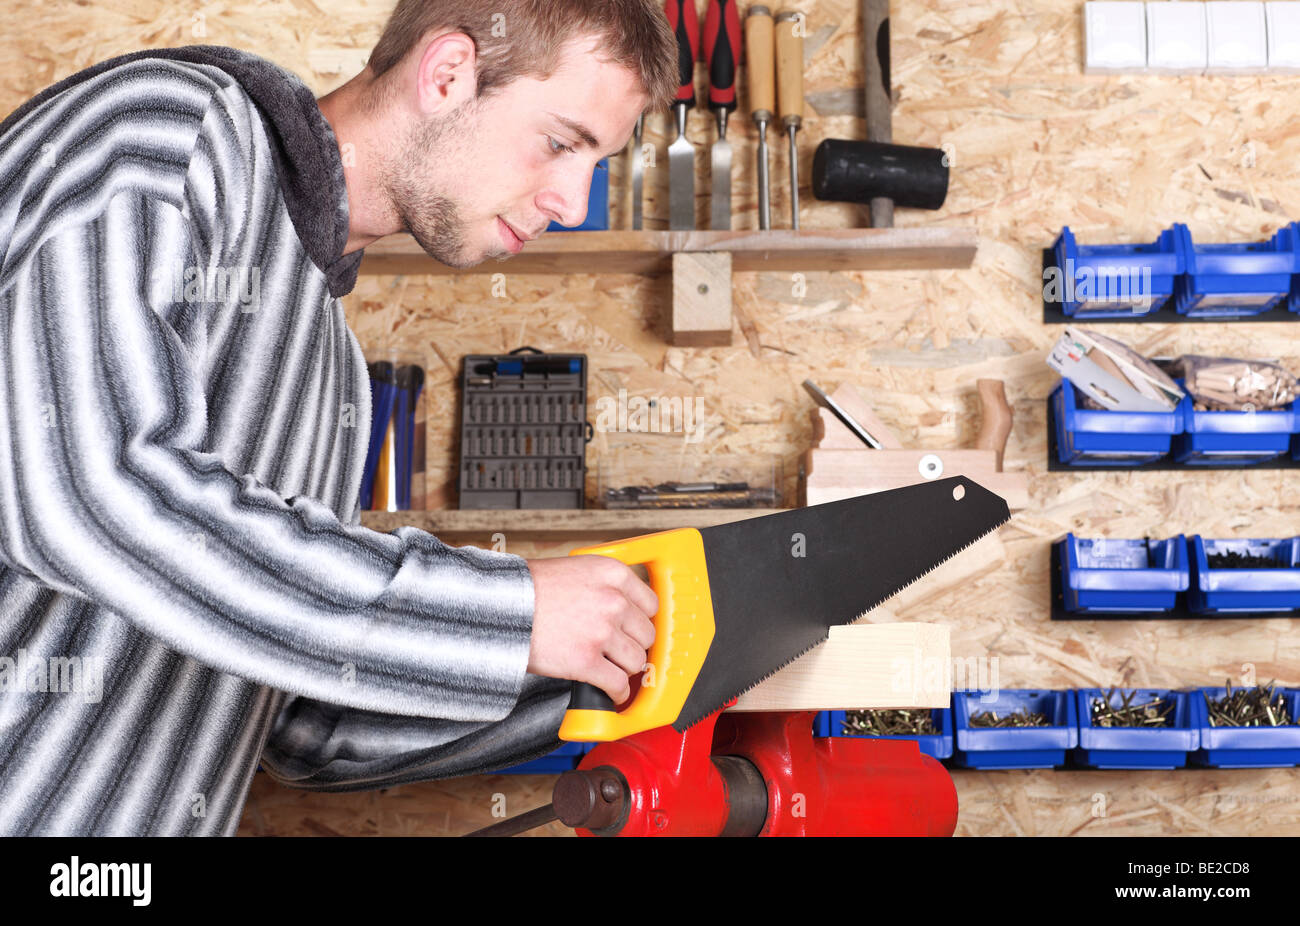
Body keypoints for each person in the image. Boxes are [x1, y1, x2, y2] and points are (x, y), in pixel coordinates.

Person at [0, 0, 677, 835]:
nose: (574, 201)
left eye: (599, 161)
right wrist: (510, 611)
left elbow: (304, 727)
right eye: (563, 142)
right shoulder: (168, 135)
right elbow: (88, 495)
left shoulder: (335, 378)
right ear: (447, 73)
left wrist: (624, 669)